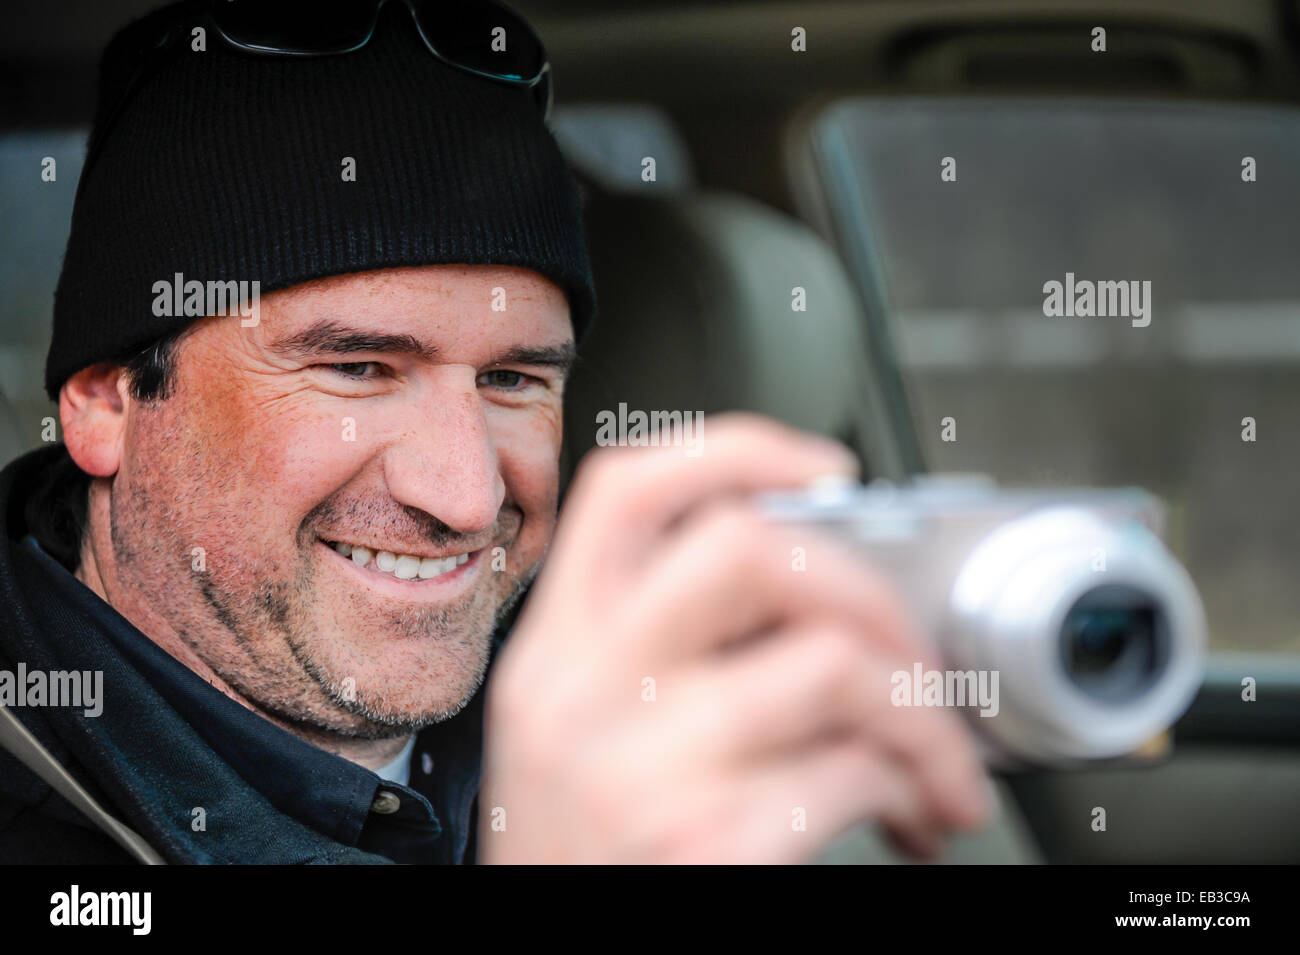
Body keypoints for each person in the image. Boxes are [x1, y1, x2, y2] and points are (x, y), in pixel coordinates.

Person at [0, 0, 991, 864]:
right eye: (357, 368)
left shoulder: (712, 731)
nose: (466, 497)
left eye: (513, 379)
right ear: (108, 400)